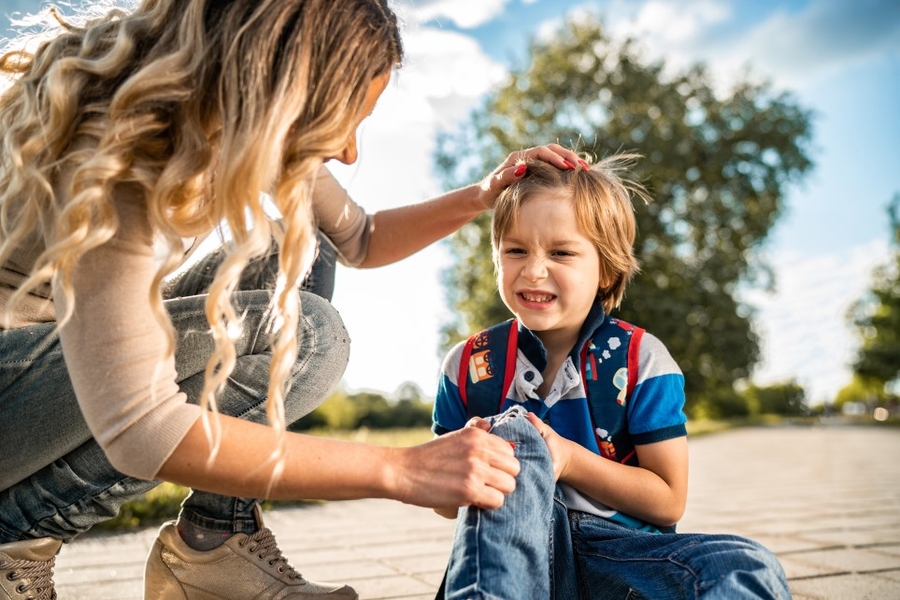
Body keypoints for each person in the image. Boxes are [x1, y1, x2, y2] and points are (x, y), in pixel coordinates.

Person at [0, 1, 586, 598]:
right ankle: (12, 540)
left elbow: (361, 237)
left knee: (301, 250)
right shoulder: (117, 149)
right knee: (306, 334)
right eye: (344, 118)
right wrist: (399, 469)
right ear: (282, 87)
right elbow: (140, 426)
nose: (350, 152)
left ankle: (214, 547)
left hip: (42, 372)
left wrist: (482, 195)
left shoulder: (230, 114)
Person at [431, 156, 792, 599]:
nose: (533, 270)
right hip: (511, 566)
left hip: (623, 558)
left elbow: (668, 499)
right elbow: (445, 506)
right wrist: (460, 459)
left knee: (744, 565)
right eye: (515, 250)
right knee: (515, 437)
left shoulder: (644, 360)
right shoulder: (468, 365)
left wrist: (568, 459)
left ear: (606, 268)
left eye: (561, 252)